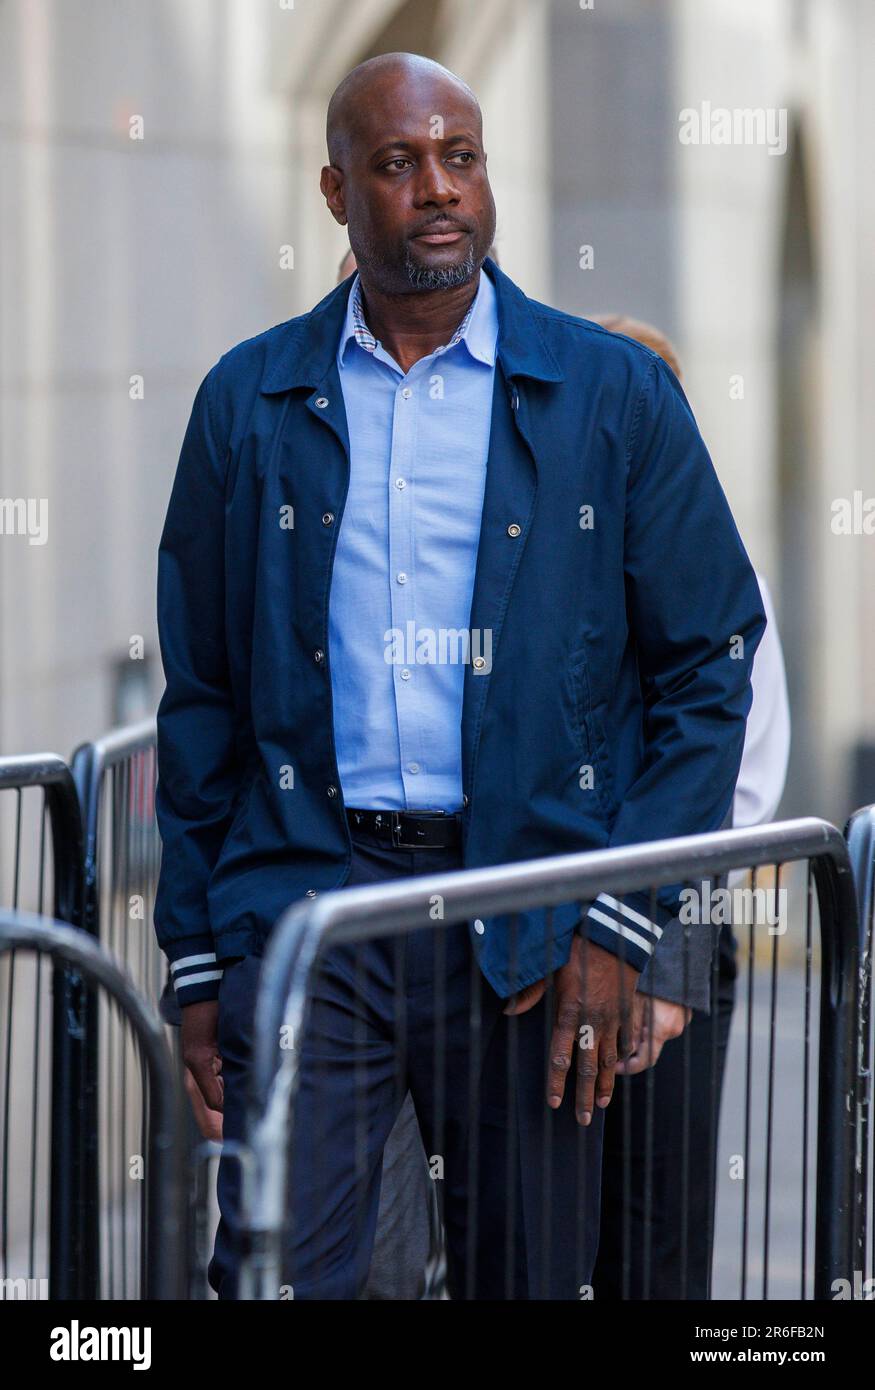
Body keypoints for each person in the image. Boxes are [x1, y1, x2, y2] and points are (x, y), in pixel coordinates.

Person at [153, 52, 765, 1300]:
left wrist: (618, 919)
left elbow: (708, 664)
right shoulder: (248, 400)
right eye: (397, 163)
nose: (437, 189)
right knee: (276, 1275)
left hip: (531, 923)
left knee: (527, 1275)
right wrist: (198, 960)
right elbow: (202, 696)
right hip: (315, 911)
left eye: (460, 157)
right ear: (336, 192)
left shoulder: (612, 392)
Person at [587, 314, 790, 1299]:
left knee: (654, 1225)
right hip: (566, 936)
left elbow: (740, 789)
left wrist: (666, 951)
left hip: (673, 926)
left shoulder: (716, 574)